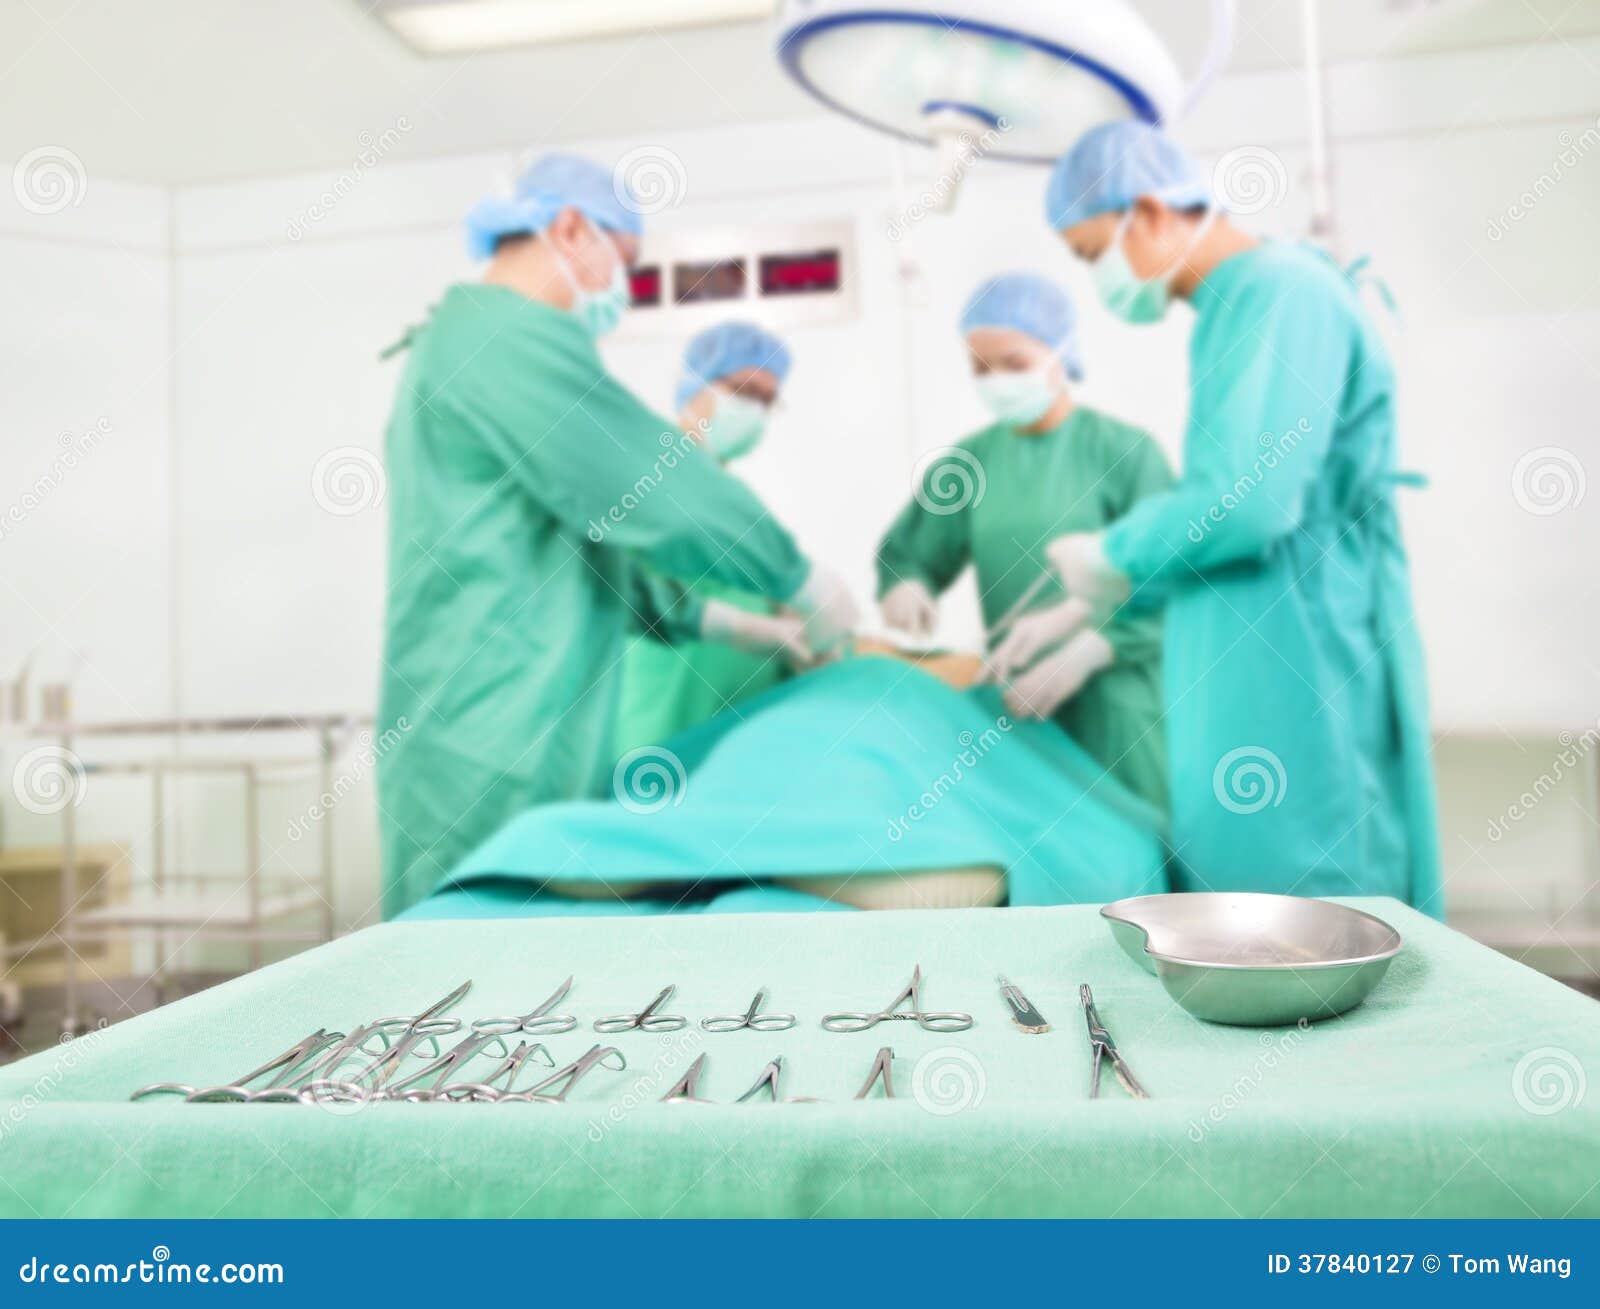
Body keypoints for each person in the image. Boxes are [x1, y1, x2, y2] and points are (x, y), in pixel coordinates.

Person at [376, 154, 857, 916]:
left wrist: (735, 622)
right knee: (469, 988)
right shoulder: (500, 339)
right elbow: (658, 489)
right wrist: (796, 576)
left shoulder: (472, 343)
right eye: (622, 265)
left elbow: (587, 559)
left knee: (517, 996)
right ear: (569, 228)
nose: (620, 293)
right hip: (492, 742)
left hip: (515, 730)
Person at [1029, 119, 1439, 910]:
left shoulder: (1276, 291)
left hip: (1299, 668)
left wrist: (1112, 552)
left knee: (1314, 925)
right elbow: (1234, 508)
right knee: (1254, 925)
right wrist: (1102, 600)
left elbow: (1248, 504)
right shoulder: (1243, 302)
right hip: (1259, 659)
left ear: (1149, 212)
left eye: (1091, 253)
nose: (1097, 277)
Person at [876, 272, 1174, 809]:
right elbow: (909, 554)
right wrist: (908, 586)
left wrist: (1089, 649)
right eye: (979, 367)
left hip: (1117, 710)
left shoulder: (1126, 453)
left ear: (1061, 354)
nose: (996, 380)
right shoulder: (969, 465)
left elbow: (1177, 583)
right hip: (1018, 711)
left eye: (1013, 364)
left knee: (1135, 866)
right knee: (1044, 867)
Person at [612, 321, 809, 758]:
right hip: (666, 719)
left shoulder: (733, 497)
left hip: (736, 725)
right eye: (744, 391)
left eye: (767, 400)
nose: (754, 410)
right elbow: (620, 586)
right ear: (694, 384)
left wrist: (792, 617)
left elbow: (760, 586)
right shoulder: (643, 478)